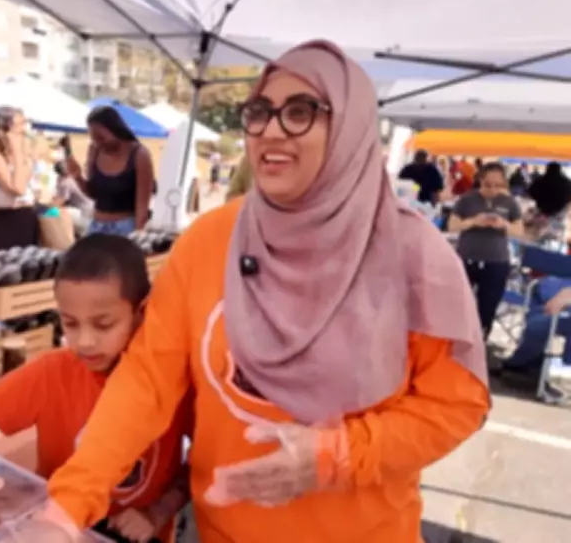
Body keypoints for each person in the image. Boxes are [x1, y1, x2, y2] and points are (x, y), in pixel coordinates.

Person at [36, 41, 489, 542]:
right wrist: (69, 502)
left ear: (351, 129)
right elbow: (146, 380)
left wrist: (336, 456)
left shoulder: (414, 257)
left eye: (300, 112)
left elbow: (454, 405)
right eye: (259, 112)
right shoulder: (209, 241)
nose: (271, 130)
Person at [0, 234, 190, 543]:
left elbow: (204, 462)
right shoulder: (51, 372)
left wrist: (158, 511)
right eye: (70, 323)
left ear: (141, 312)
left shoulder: (171, 378)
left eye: (104, 324)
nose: (85, 341)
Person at [448, 162, 524, 340]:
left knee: (488, 306)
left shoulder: (509, 203)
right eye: (488, 184)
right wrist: (474, 221)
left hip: (496, 261)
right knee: (459, 302)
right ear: (480, 180)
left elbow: (519, 231)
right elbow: (452, 225)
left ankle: (481, 338)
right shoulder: (467, 200)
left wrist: (503, 224)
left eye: (498, 185)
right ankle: (455, 338)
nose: (492, 189)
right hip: (467, 257)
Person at [66, 106, 154, 235]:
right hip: (96, 226)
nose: (97, 142)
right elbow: (94, 194)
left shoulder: (139, 155)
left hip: (125, 228)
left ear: (116, 130)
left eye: (101, 137)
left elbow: (142, 206)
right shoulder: (95, 150)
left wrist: (138, 233)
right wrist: (77, 176)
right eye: (93, 138)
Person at [0, 106, 39, 258]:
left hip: (26, 217)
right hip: (4, 222)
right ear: (5, 129)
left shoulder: (23, 153)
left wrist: (24, 156)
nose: (25, 130)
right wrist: (17, 152)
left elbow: (26, 182)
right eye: (20, 125)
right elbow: (17, 189)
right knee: (7, 275)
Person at [524, 161, 571, 252]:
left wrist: (539, 200)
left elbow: (530, 191)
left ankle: (534, 256)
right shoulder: (566, 182)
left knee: (536, 238)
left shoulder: (540, 180)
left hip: (541, 212)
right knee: (555, 240)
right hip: (559, 214)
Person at [53, 160, 92, 237]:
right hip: (90, 208)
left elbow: (60, 201)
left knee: (57, 212)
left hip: (84, 213)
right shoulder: (69, 177)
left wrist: (44, 210)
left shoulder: (67, 182)